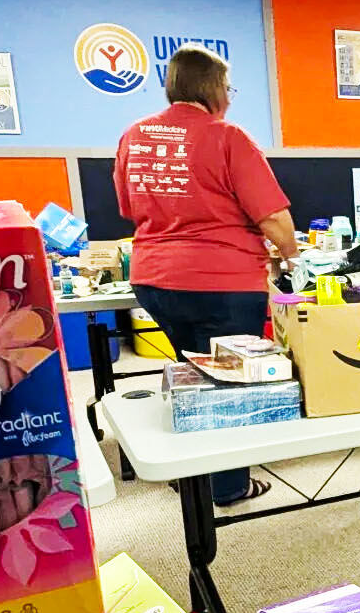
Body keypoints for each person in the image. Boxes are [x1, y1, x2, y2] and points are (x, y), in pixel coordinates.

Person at [115, 45, 299, 505]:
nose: (230, 98)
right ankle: (229, 486)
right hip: (222, 281)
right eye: (228, 88)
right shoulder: (227, 136)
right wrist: (291, 256)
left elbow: (126, 209)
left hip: (155, 279)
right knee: (231, 383)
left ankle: (194, 472)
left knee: (193, 370)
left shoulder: (134, 136)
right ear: (214, 87)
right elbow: (274, 218)